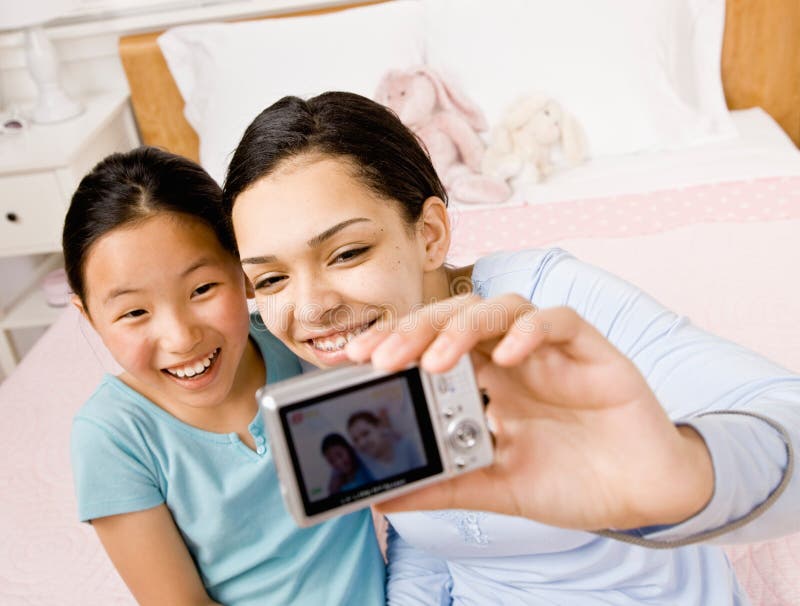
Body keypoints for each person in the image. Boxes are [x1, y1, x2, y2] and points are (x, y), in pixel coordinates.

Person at [221, 91, 799, 605]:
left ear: (430, 234)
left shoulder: (550, 307)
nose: (312, 308)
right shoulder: (321, 358)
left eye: (347, 253)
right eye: (270, 280)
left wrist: (682, 475)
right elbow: (430, 527)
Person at [65, 147, 385, 606]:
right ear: (90, 315)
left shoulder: (305, 344)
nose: (180, 338)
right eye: (135, 312)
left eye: (202, 289)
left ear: (244, 271)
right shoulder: (112, 437)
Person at [346, 411, 424, 480]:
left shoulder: (407, 446)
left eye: (365, 433)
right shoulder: (362, 456)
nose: (361, 443)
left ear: (379, 427)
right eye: (356, 440)